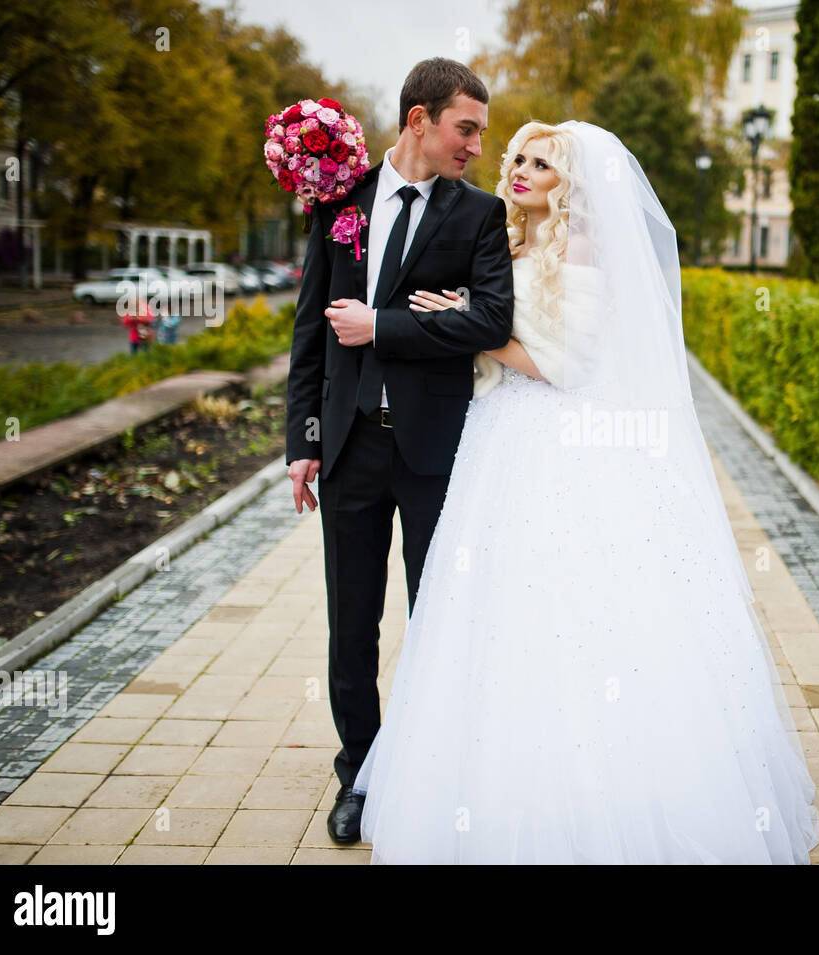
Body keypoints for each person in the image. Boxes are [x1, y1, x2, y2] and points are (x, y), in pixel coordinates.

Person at [350, 120, 819, 864]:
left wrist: (462, 327)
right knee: (494, 609)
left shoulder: (580, 247)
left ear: (568, 183)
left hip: (560, 436)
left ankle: (602, 794)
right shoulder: (511, 240)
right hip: (501, 433)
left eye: (542, 164)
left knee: (577, 603)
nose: (523, 171)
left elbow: (561, 364)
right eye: (521, 159)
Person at [284, 58, 513, 845]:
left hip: (434, 454)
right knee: (351, 625)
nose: (478, 146)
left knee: (434, 616)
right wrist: (302, 442)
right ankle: (360, 775)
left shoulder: (479, 215)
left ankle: (433, 775)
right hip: (347, 448)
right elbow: (311, 328)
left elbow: (490, 322)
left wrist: (386, 326)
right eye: (467, 128)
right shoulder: (339, 202)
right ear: (420, 120)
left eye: (479, 130)